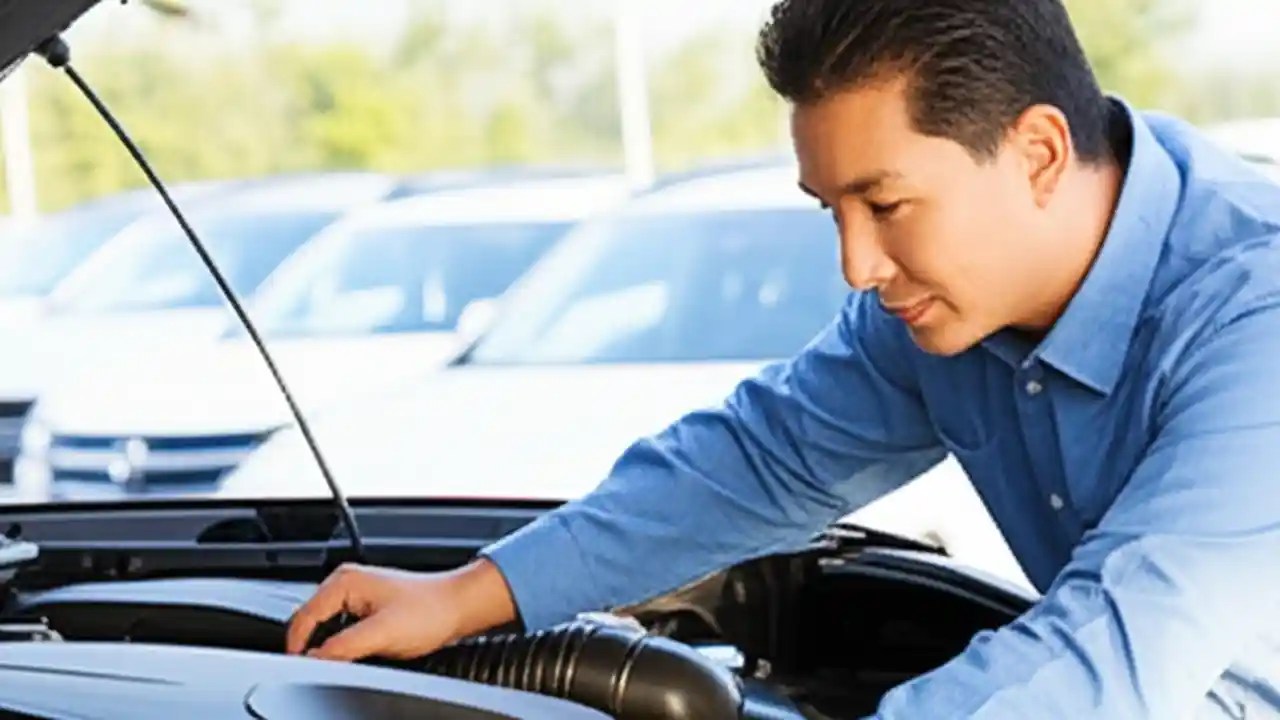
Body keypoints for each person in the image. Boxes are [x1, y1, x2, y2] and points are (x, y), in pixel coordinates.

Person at [286, 1, 1280, 716]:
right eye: (830, 211)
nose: (855, 265)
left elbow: (1108, 649)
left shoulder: (1254, 315)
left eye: (884, 205)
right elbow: (759, 459)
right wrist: (466, 594)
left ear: (1036, 155)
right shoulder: (940, 309)